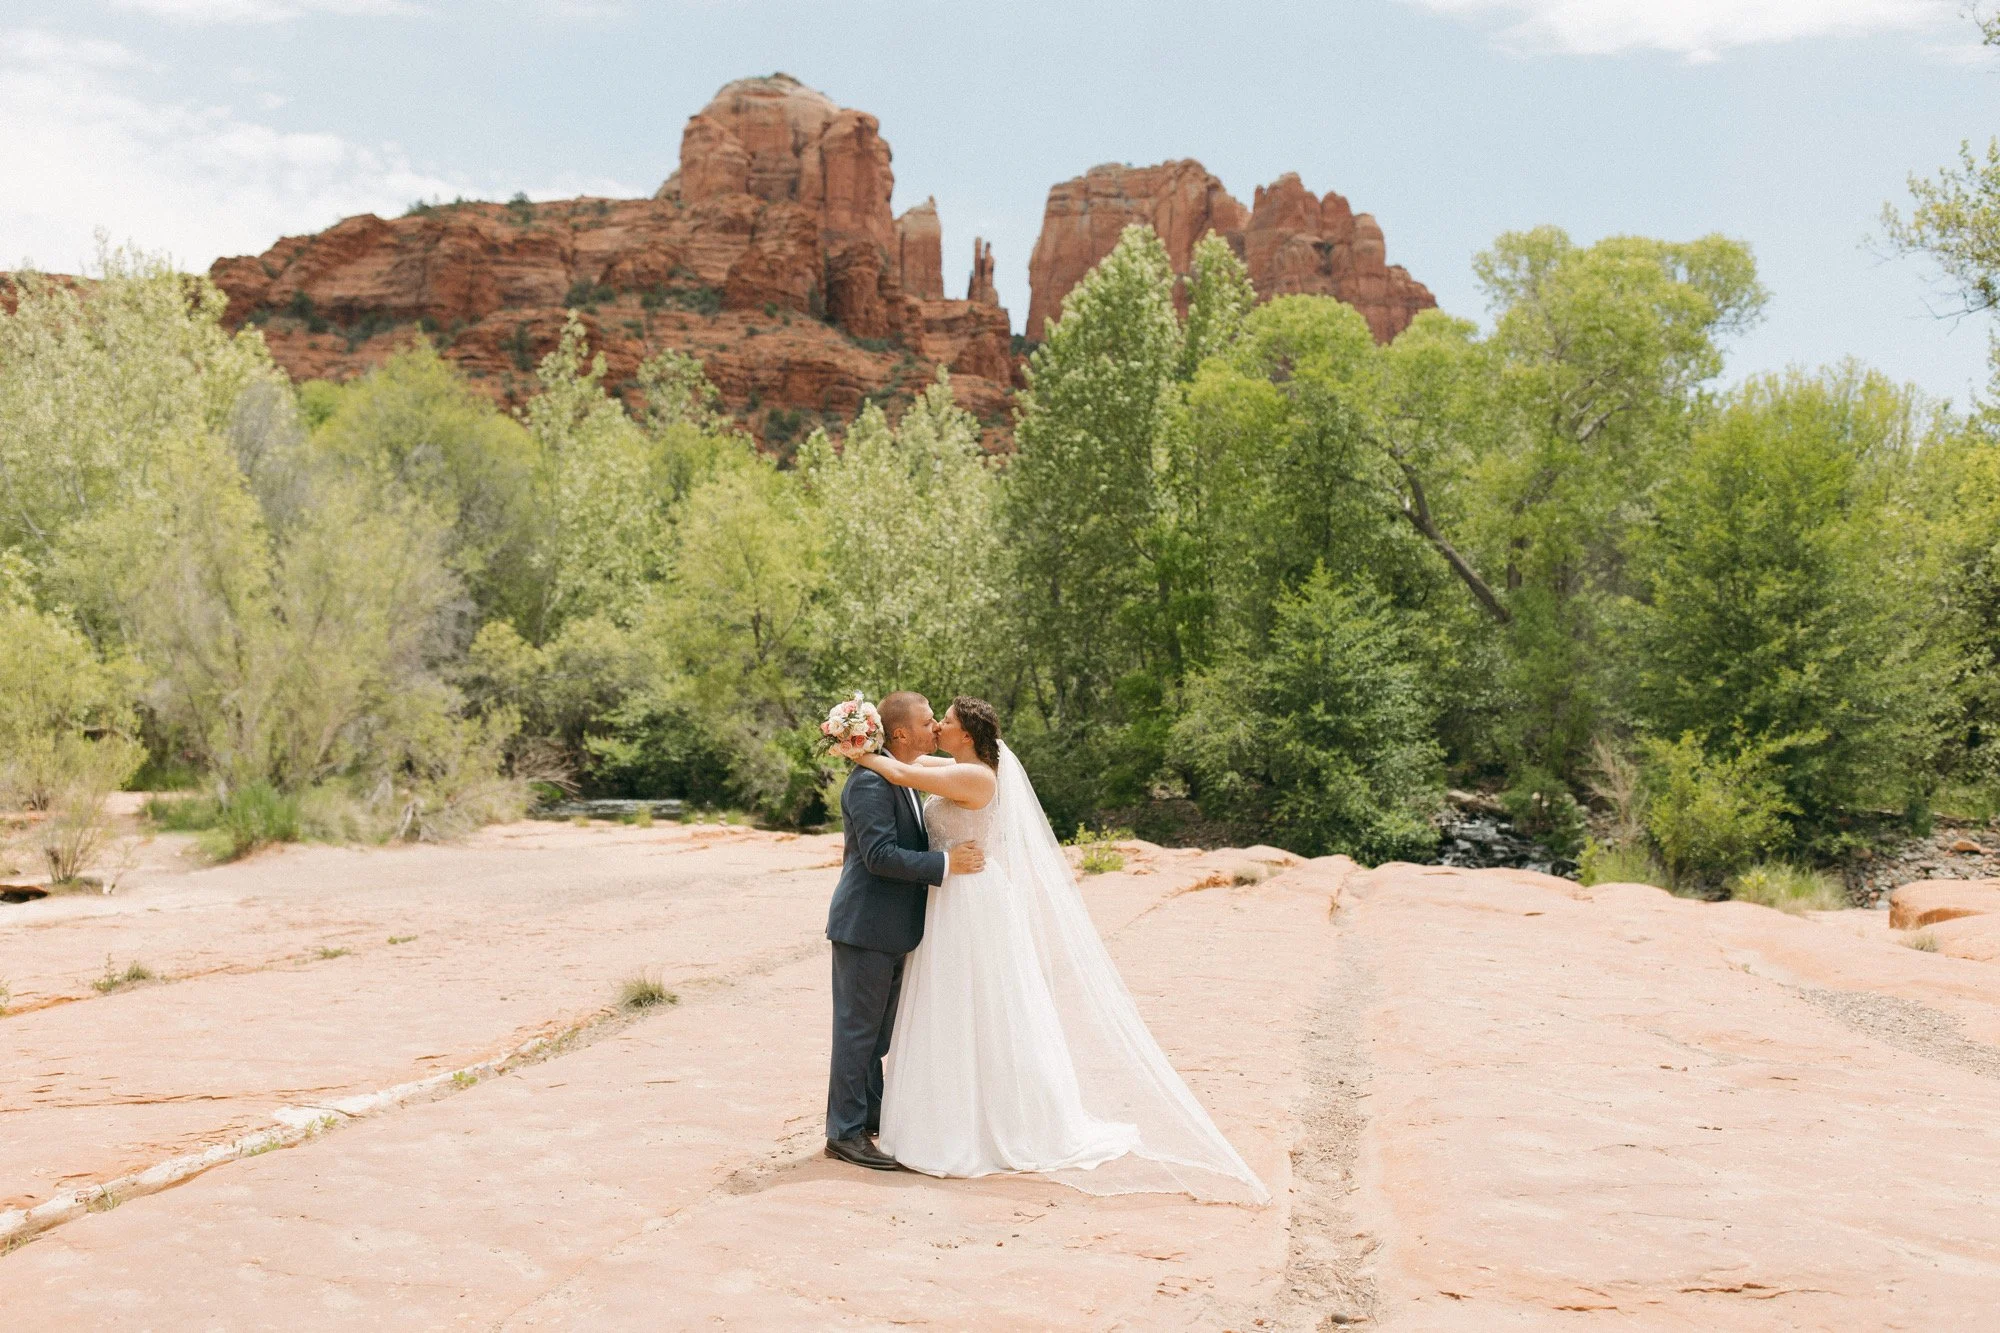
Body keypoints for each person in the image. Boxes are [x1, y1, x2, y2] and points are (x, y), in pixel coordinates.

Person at [834, 697, 1268, 1203]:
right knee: (937, 1009)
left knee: (979, 1006)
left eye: (944, 722)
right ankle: (881, 1121)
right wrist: (864, 744)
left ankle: (974, 1121)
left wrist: (856, 747)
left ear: (966, 735)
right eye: (932, 722)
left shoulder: (977, 778)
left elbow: (901, 773)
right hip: (948, 899)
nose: (937, 728)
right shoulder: (950, 766)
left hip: (971, 898)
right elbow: (906, 766)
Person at [822, 691, 983, 1171]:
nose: (935, 726)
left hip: (893, 929)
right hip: (865, 927)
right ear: (900, 733)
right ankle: (844, 1134)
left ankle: (869, 1119)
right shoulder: (871, 784)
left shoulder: (905, 776)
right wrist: (947, 863)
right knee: (856, 1034)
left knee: (877, 1037)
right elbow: (879, 857)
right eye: (928, 720)